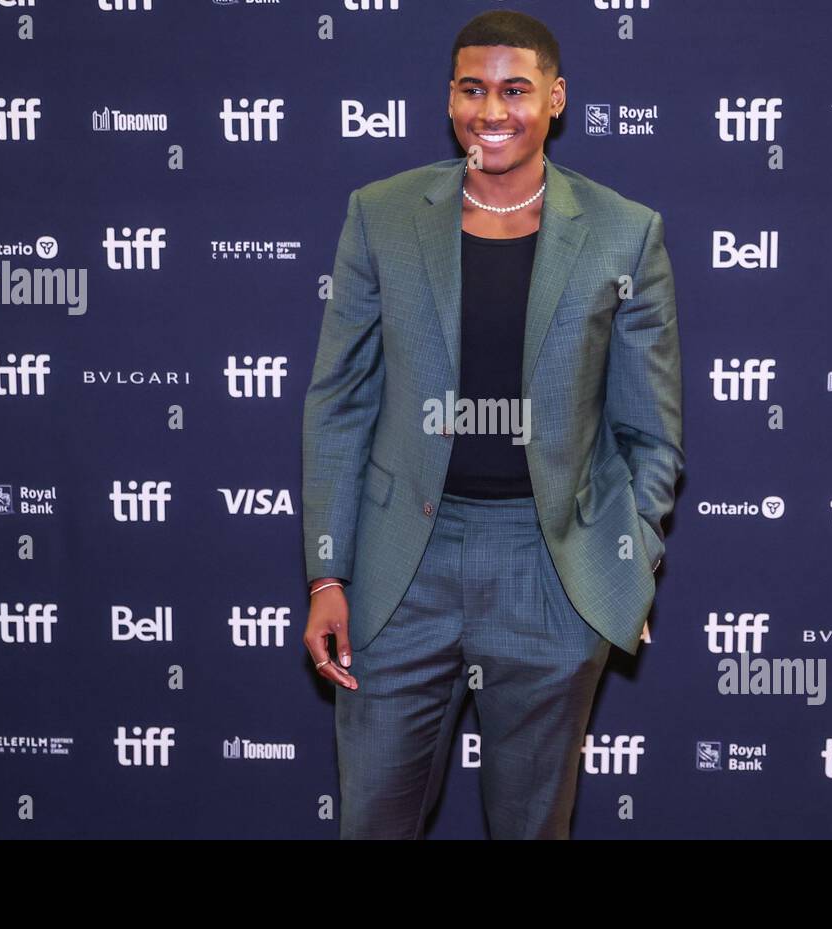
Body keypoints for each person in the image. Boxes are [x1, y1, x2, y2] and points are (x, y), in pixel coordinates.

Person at [301, 9, 683, 839]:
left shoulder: (624, 233)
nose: (493, 110)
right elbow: (340, 400)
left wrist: (628, 558)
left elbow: (650, 433)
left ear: (555, 98)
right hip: (402, 564)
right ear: (449, 99)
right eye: (473, 89)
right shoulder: (382, 214)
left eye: (515, 89)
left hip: (549, 570)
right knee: (371, 822)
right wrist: (328, 574)